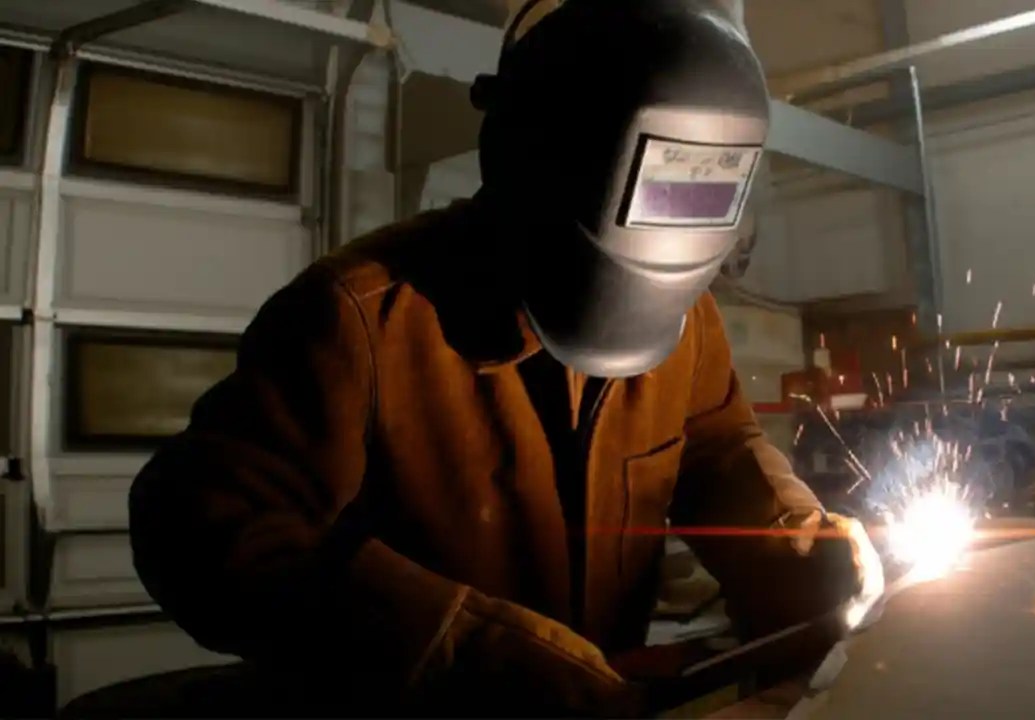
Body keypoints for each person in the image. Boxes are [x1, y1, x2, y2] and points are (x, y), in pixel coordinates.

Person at [127, 0, 865, 716]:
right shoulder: (358, 319)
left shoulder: (687, 320)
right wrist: (448, 641)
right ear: (535, 158)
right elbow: (199, 528)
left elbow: (716, 450)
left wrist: (796, 545)